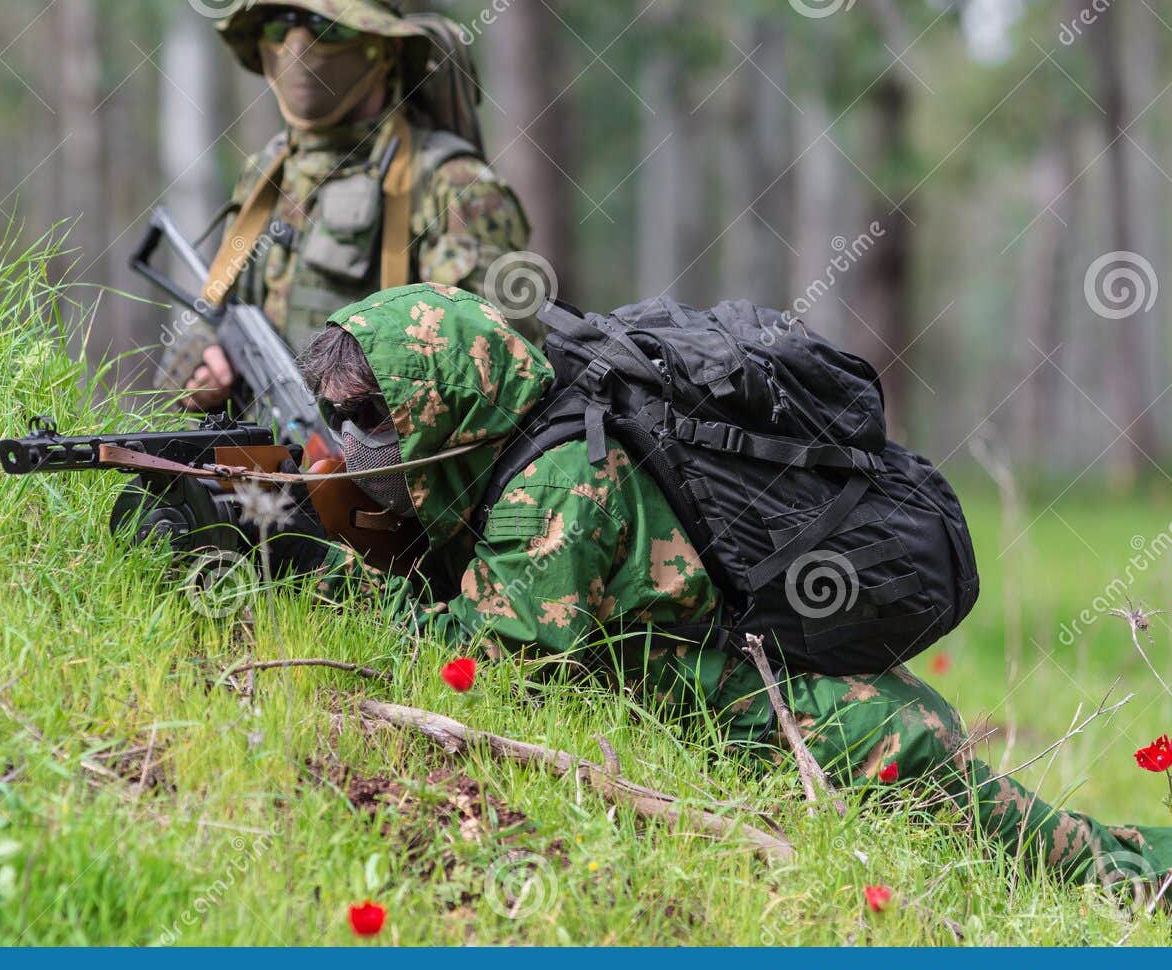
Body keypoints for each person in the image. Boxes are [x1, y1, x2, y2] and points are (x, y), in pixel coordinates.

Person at [300, 281, 1172, 890]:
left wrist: (322, 574)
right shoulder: (518, 439)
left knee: (1092, 867)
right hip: (788, 702)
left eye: (372, 413)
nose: (353, 436)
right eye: (338, 415)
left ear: (443, 394)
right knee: (1080, 852)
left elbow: (491, 665)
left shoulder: (553, 487)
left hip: (845, 730)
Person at [160, 0, 531, 411]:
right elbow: (217, 315)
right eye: (279, 25)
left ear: (383, 49)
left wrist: (371, 386)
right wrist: (201, 356)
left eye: (328, 28)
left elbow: (501, 374)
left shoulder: (454, 184)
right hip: (262, 450)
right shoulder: (266, 174)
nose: (298, 46)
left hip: (383, 454)